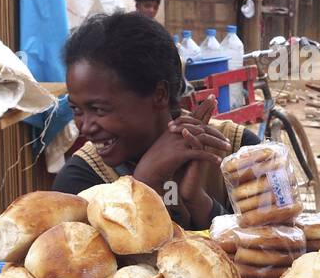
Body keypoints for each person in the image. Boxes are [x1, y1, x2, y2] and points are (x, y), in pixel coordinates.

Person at [52, 12, 259, 230]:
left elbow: (283, 250)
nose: (85, 127)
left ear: (159, 94)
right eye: (76, 109)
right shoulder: (80, 181)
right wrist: (144, 185)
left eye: (99, 109)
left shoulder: (240, 152)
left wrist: (199, 201)